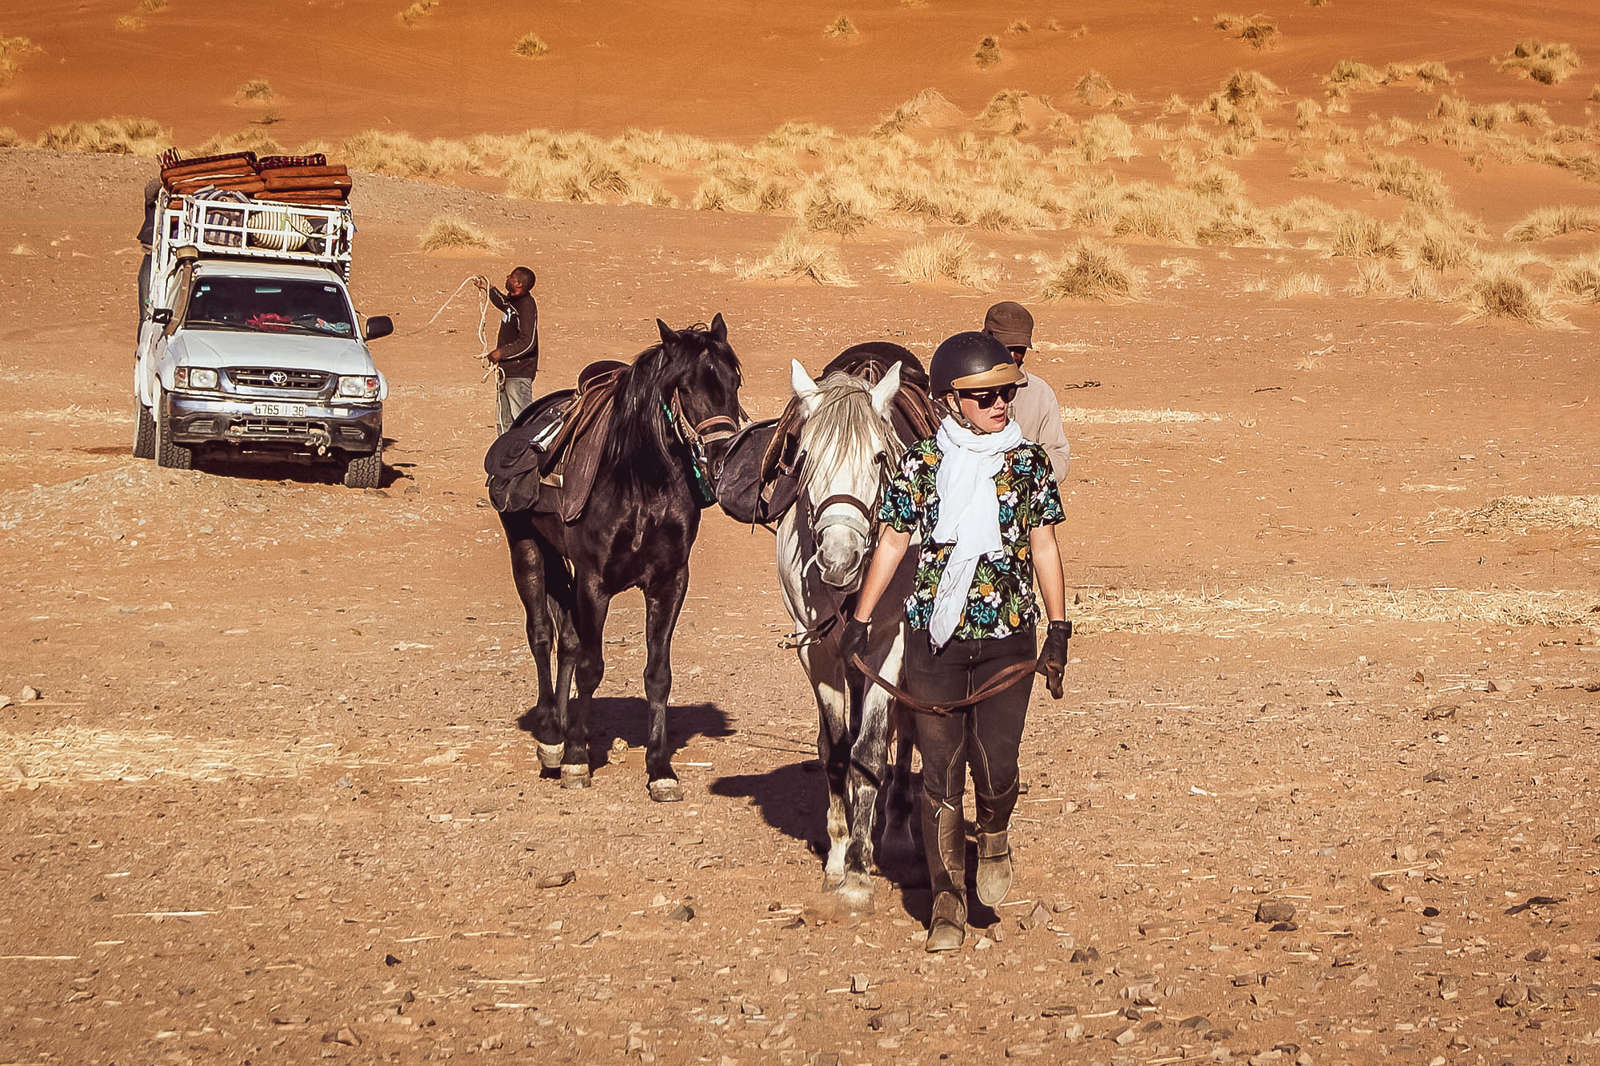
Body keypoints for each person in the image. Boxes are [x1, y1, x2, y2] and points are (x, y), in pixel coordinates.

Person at [840, 331, 1071, 952]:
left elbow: (1045, 546)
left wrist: (1058, 629)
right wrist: (860, 619)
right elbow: (893, 542)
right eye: (985, 396)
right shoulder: (920, 465)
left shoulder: (1029, 464)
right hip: (933, 644)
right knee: (939, 776)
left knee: (997, 768)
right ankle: (946, 900)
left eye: (1006, 394)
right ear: (951, 401)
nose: (1001, 405)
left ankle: (993, 832)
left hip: (1008, 641)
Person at [982, 301, 1071, 483]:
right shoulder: (961, 390)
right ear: (986, 339)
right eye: (1006, 347)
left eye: (1020, 349)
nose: (1013, 356)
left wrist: (1024, 478)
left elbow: (1058, 455)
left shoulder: (1040, 394)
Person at [475, 266, 539, 435]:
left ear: (518, 284)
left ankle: (527, 451)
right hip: (506, 371)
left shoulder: (527, 305)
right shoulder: (514, 302)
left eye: (511, 276)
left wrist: (501, 353)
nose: (507, 276)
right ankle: (504, 450)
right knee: (504, 420)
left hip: (519, 372)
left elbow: (528, 342)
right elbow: (504, 304)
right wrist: (489, 288)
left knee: (522, 420)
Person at [136, 177, 163, 339]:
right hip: (151, 255)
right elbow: (151, 189)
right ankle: (143, 345)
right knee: (146, 312)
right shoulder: (157, 196)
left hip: (175, 257)